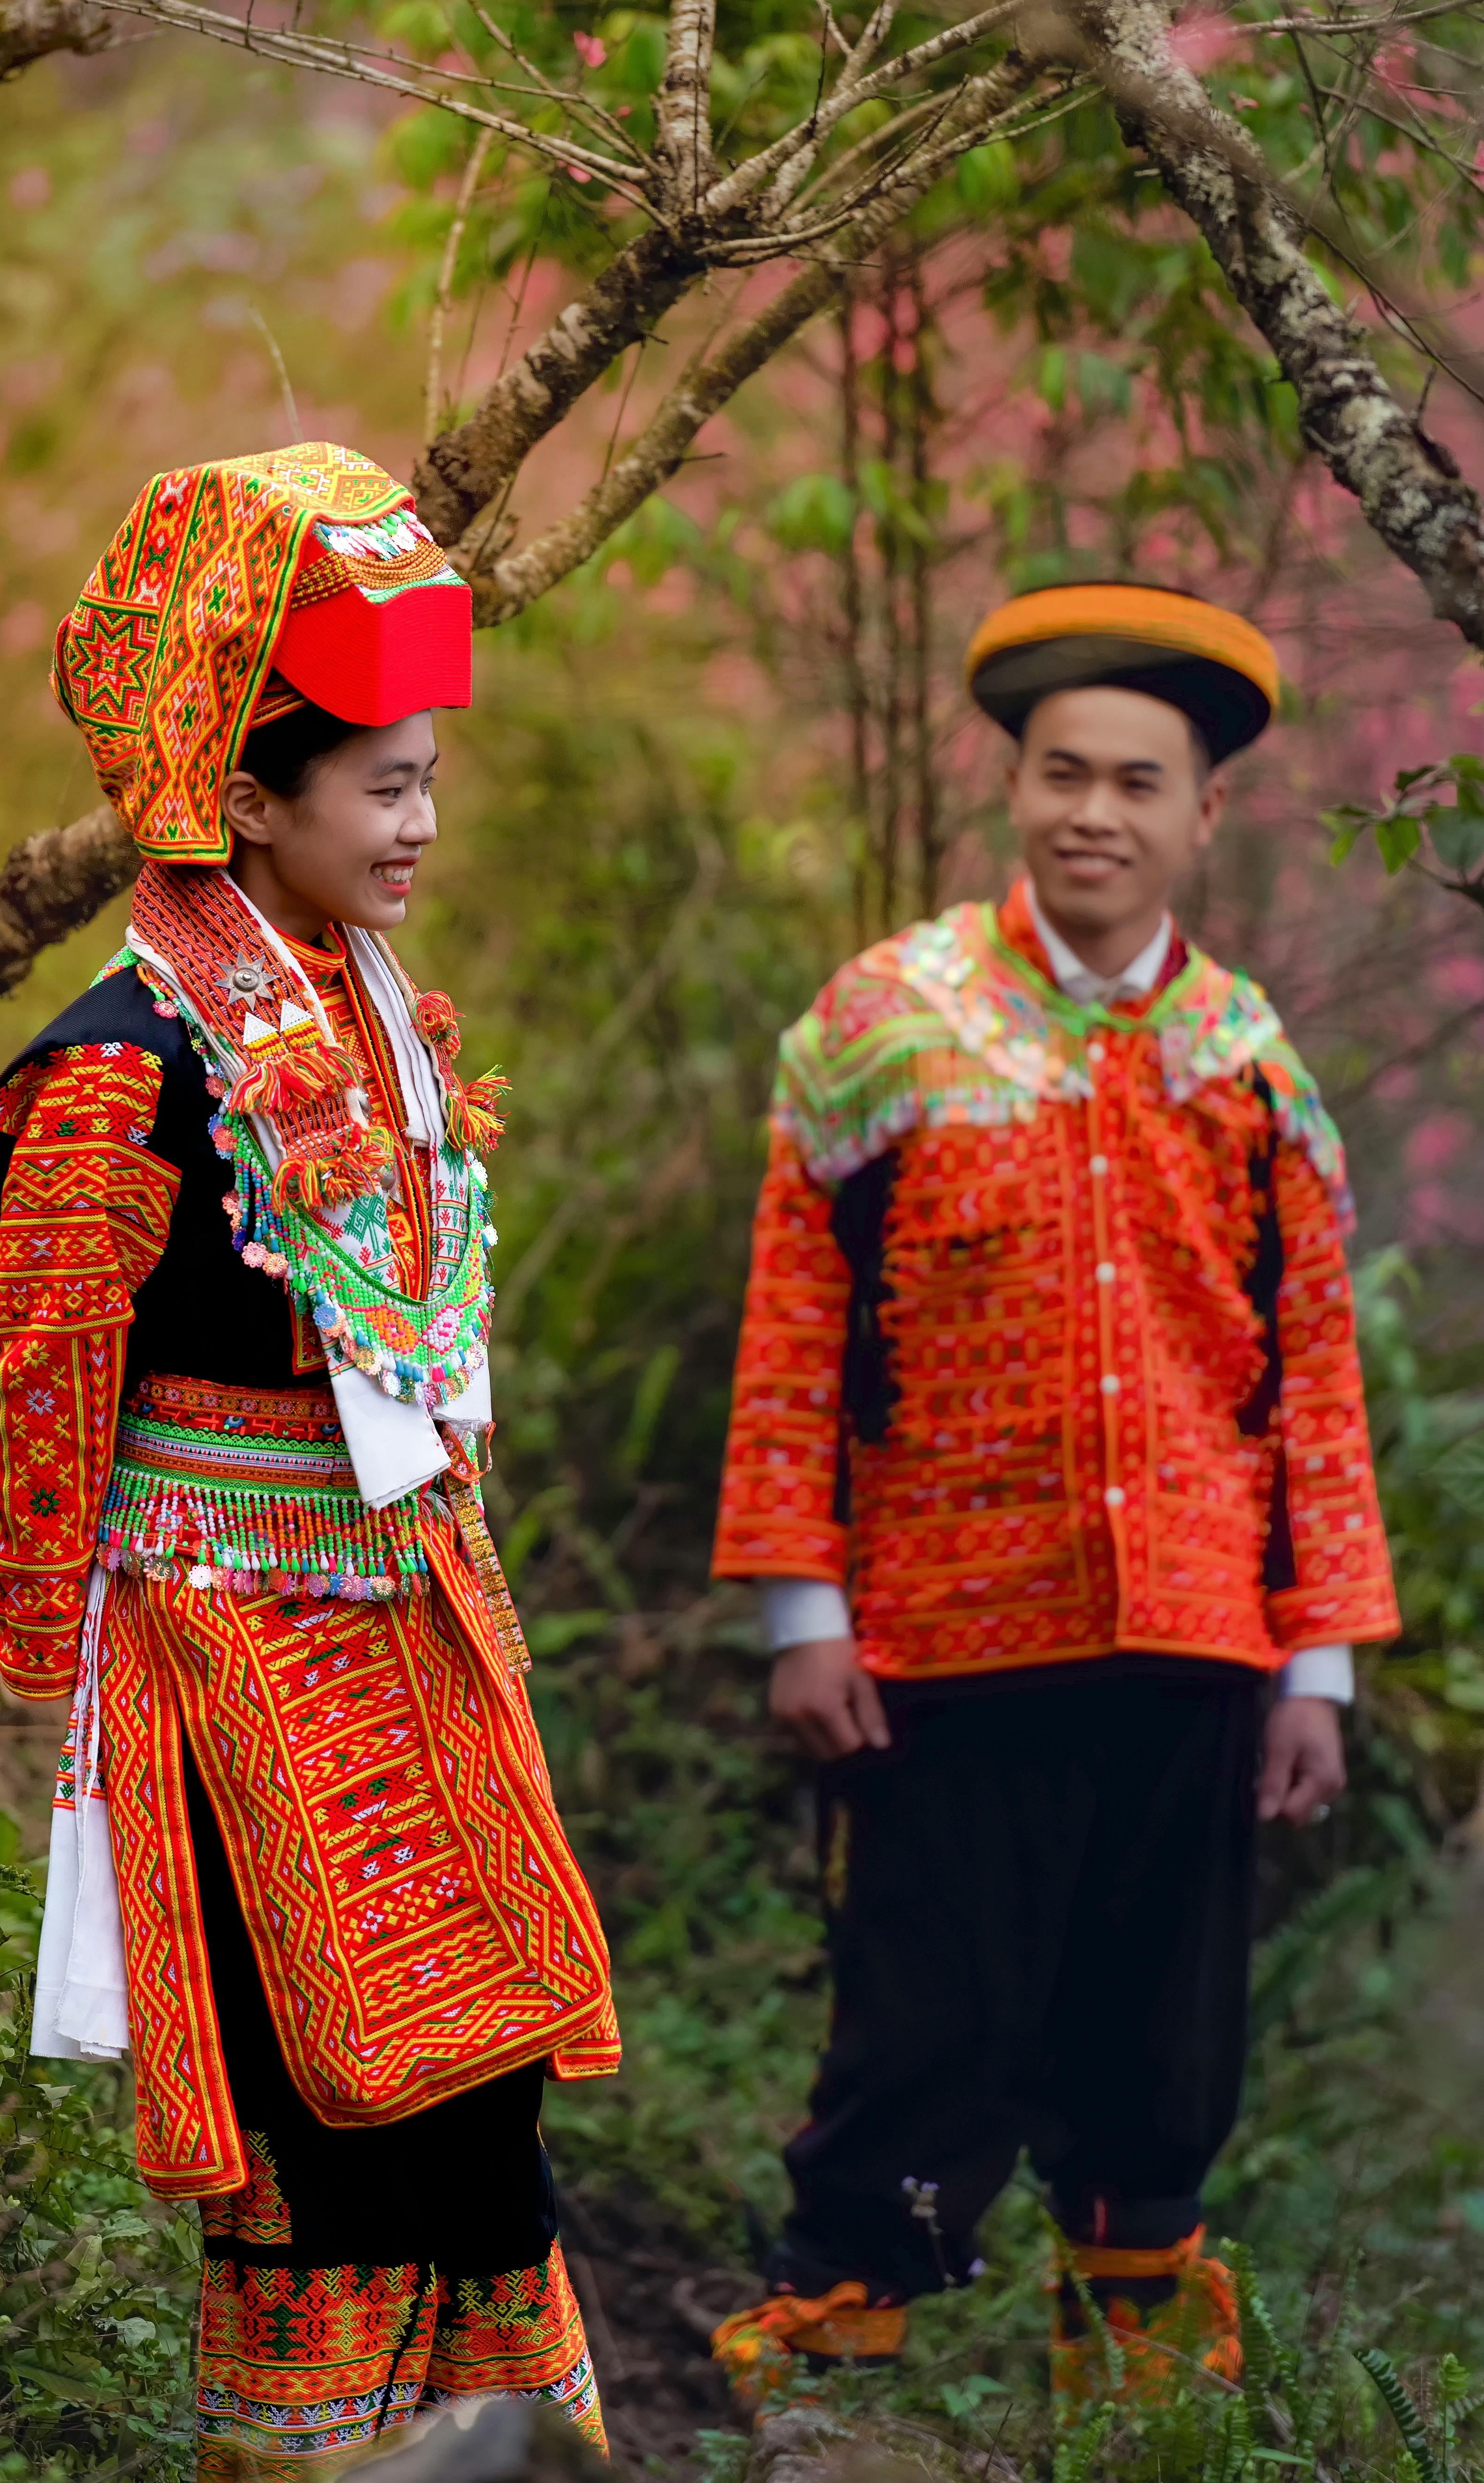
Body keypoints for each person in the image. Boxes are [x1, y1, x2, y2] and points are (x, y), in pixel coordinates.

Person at [0, 445, 619, 2477]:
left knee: (485, 2081)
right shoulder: (119, 1068)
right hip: (229, 1664)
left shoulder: (367, 1020)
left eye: (426, 778)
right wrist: (66, 1666)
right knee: (326, 2119)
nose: (423, 823)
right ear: (247, 798)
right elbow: (34, 1396)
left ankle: (487, 2440)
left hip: (412, 1637)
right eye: (386, 785)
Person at [707, 583, 1398, 2406]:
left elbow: (1312, 1381)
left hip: (1196, 1635)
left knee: (1159, 2033)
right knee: (927, 2010)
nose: (1096, 812)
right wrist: (804, 1610)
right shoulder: (885, 1025)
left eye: (1137, 783)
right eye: (1063, 773)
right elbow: (791, 1333)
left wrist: (1316, 1658)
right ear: (1014, 785)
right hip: (942, 1633)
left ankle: (1136, 2376)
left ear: (1203, 813)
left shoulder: (1251, 1065)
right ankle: (836, 2351)